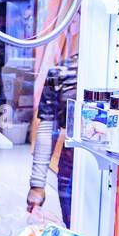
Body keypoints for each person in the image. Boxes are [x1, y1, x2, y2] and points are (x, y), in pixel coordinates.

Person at [28, 55, 77, 224]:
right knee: (75, 233)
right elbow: (48, 127)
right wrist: (37, 185)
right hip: (71, 170)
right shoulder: (62, 71)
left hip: (113, 173)